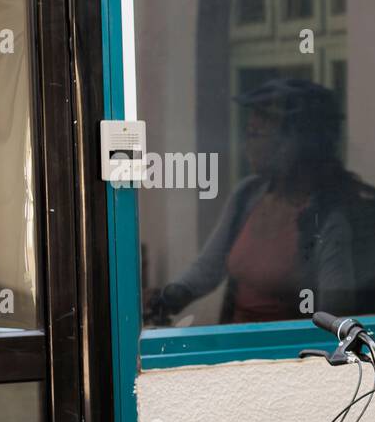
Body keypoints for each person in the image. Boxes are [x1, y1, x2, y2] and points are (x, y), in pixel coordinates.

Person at [143, 78, 358, 325]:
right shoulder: (247, 195)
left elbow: (336, 317)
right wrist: (168, 298)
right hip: (235, 345)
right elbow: (208, 268)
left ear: (295, 144)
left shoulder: (327, 221)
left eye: (256, 134)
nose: (247, 146)